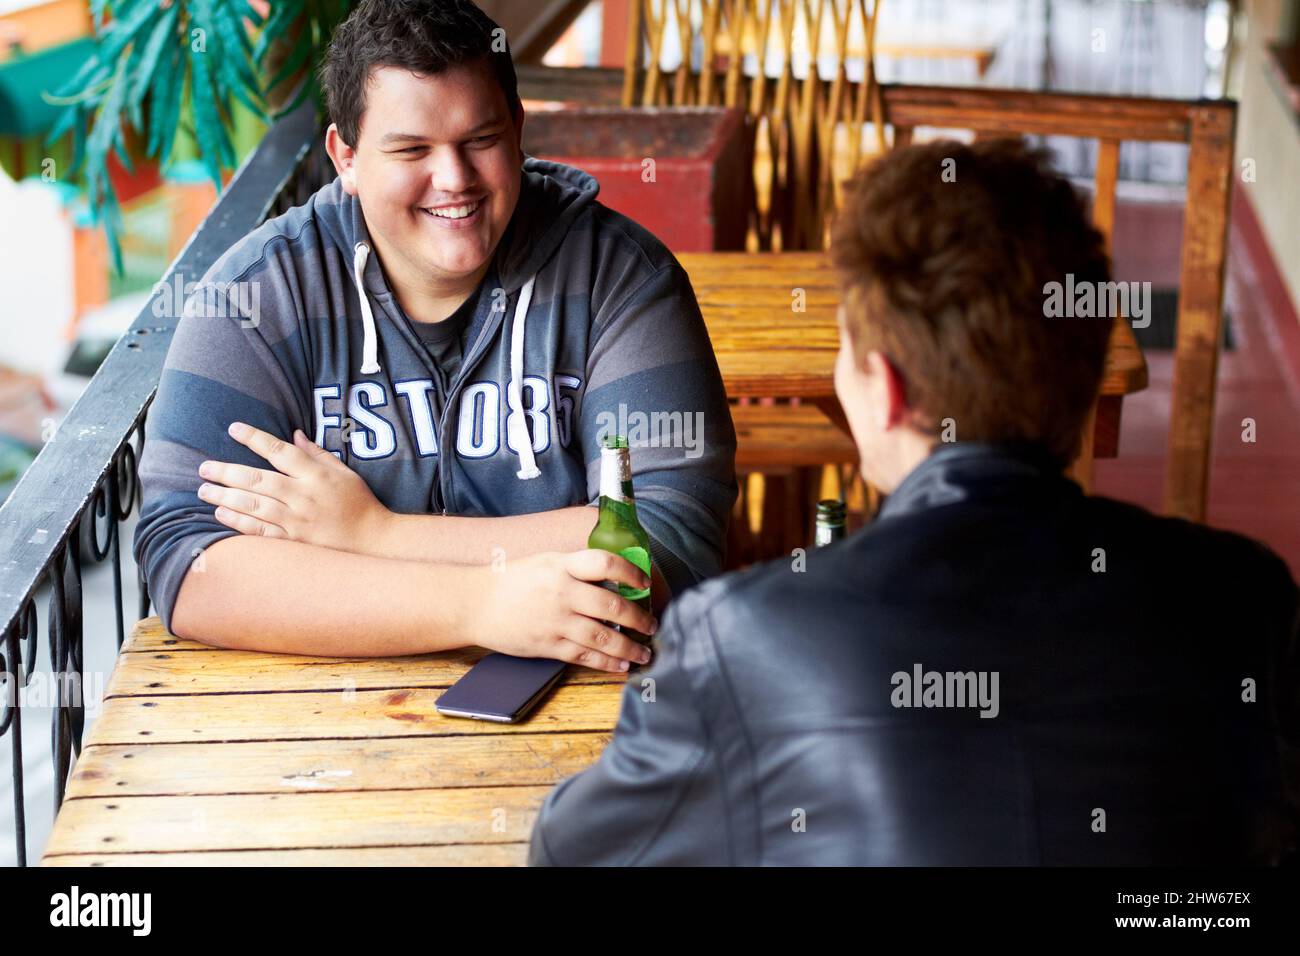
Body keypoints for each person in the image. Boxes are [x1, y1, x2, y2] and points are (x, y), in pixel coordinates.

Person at [528, 138, 1300, 865]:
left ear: (884, 388)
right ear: (1084, 367)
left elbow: (567, 852)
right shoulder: (1249, 597)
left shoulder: (740, 637)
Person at [132, 0, 736, 669]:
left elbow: (670, 540)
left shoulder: (620, 276)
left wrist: (373, 535)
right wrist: (481, 604)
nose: (454, 180)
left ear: (517, 129)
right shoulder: (256, 295)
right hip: (315, 731)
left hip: (585, 716)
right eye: (411, 149)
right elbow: (188, 565)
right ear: (347, 156)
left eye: (480, 140)